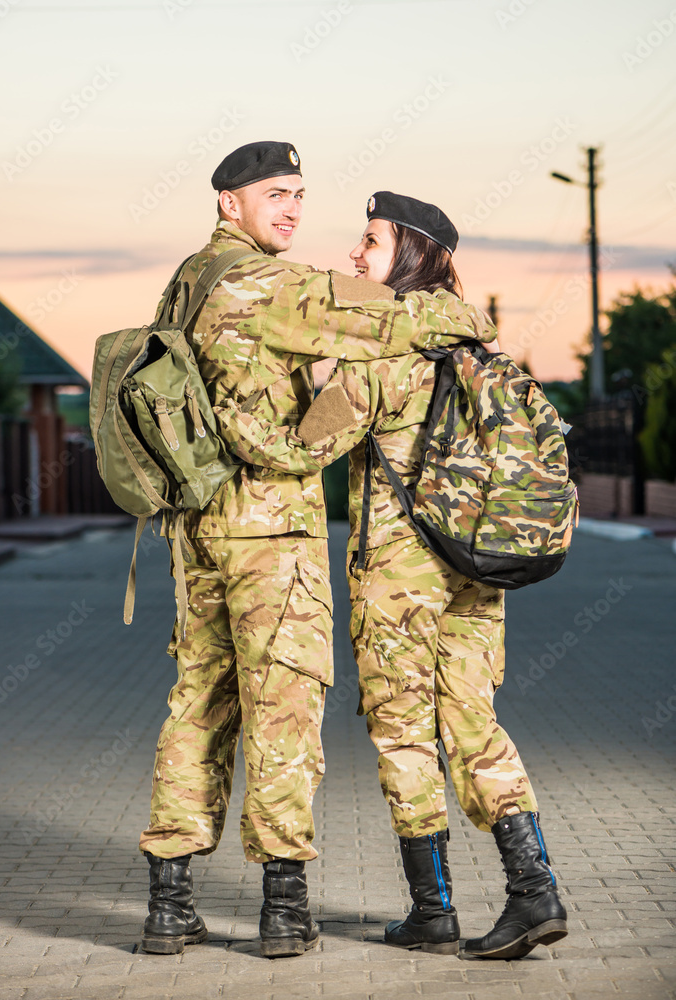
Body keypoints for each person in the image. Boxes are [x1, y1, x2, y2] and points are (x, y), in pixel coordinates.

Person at [138, 144, 498, 960]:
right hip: (271, 537)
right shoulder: (273, 284)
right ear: (229, 203)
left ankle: (169, 901)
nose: (293, 209)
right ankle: (284, 909)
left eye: (300, 194)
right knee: (284, 710)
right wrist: (469, 318)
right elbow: (388, 317)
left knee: (197, 703)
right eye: (275, 194)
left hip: (197, 529)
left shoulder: (185, 282)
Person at [214, 190, 569, 961]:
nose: (353, 255)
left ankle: (433, 911)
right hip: (476, 571)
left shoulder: (387, 355)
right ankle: (533, 889)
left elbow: (304, 446)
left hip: (398, 580)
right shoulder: (477, 348)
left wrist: (248, 412)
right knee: (475, 723)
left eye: (370, 243)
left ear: (409, 254)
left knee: (405, 733)